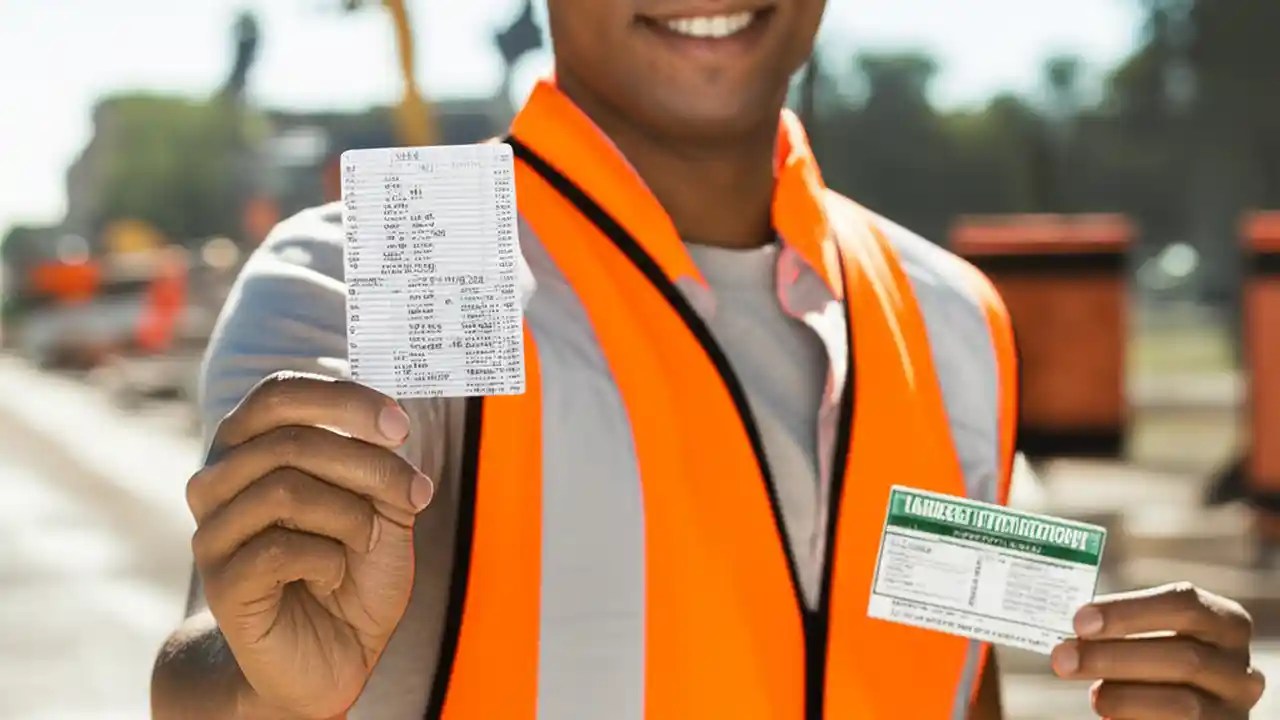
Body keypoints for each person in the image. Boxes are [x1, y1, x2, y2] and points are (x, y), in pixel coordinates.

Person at [151, 1, 1267, 718]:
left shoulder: (946, 312)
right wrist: (260, 694)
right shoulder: (422, 250)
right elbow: (222, 665)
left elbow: (939, 679)